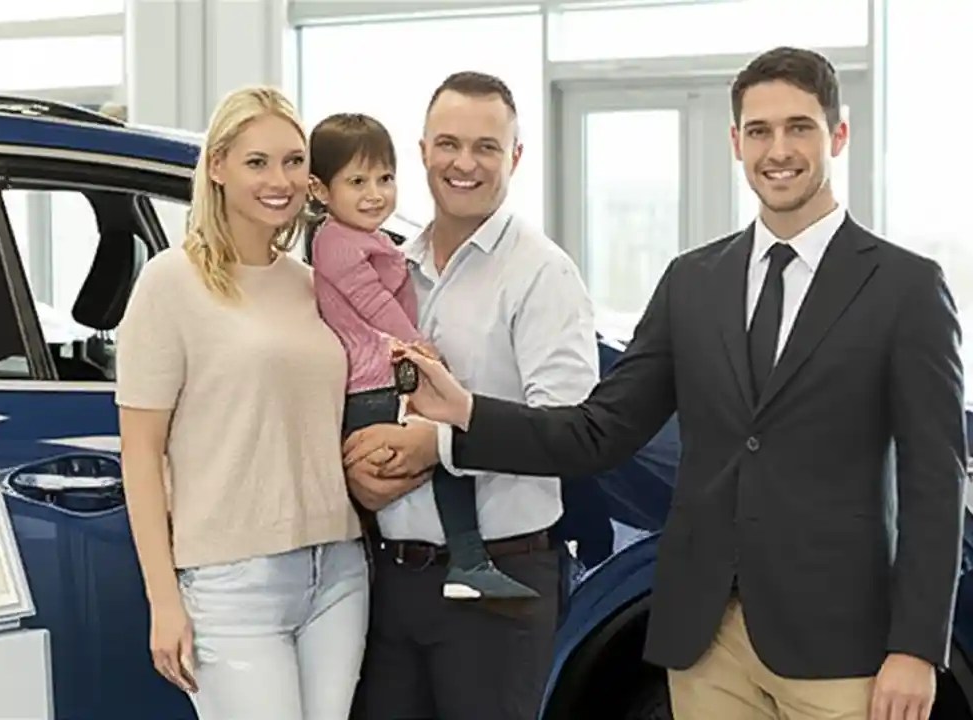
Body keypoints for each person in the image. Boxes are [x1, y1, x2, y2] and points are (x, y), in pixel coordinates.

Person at [376, 47, 967, 720]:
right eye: (759, 130)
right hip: (705, 641)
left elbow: (934, 482)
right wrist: (469, 414)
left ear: (837, 135)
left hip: (842, 646)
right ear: (735, 143)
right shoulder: (694, 281)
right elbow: (601, 431)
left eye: (799, 127)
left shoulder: (906, 288)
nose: (778, 149)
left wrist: (918, 647)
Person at [341, 71, 601, 720]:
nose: (465, 163)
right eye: (449, 144)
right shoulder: (389, 270)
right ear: (422, 150)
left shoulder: (541, 273)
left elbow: (569, 431)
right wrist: (356, 475)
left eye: (486, 147)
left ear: (515, 158)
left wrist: (434, 445)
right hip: (389, 583)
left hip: (500, 589)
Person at [115, 85, 369, 720]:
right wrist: (164, 601)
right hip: (232, 582)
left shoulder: (316, 285)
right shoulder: (170, 283)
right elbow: (141, 454)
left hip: (337, 569)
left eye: (293, 161)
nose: (278, 180)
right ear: (218, 166)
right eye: (257, 162)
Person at [307, 111, 540, 601]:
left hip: (386, 378)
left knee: (442, 453)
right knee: (447, 449)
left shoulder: (371, 238)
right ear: (320, 191)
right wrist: (420, 346)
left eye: (385, 179)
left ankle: (466, 558)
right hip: (374, 385)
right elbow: (372, 302)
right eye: (357, 181)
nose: (375, 193)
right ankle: (469, 557)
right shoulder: (335, 241)